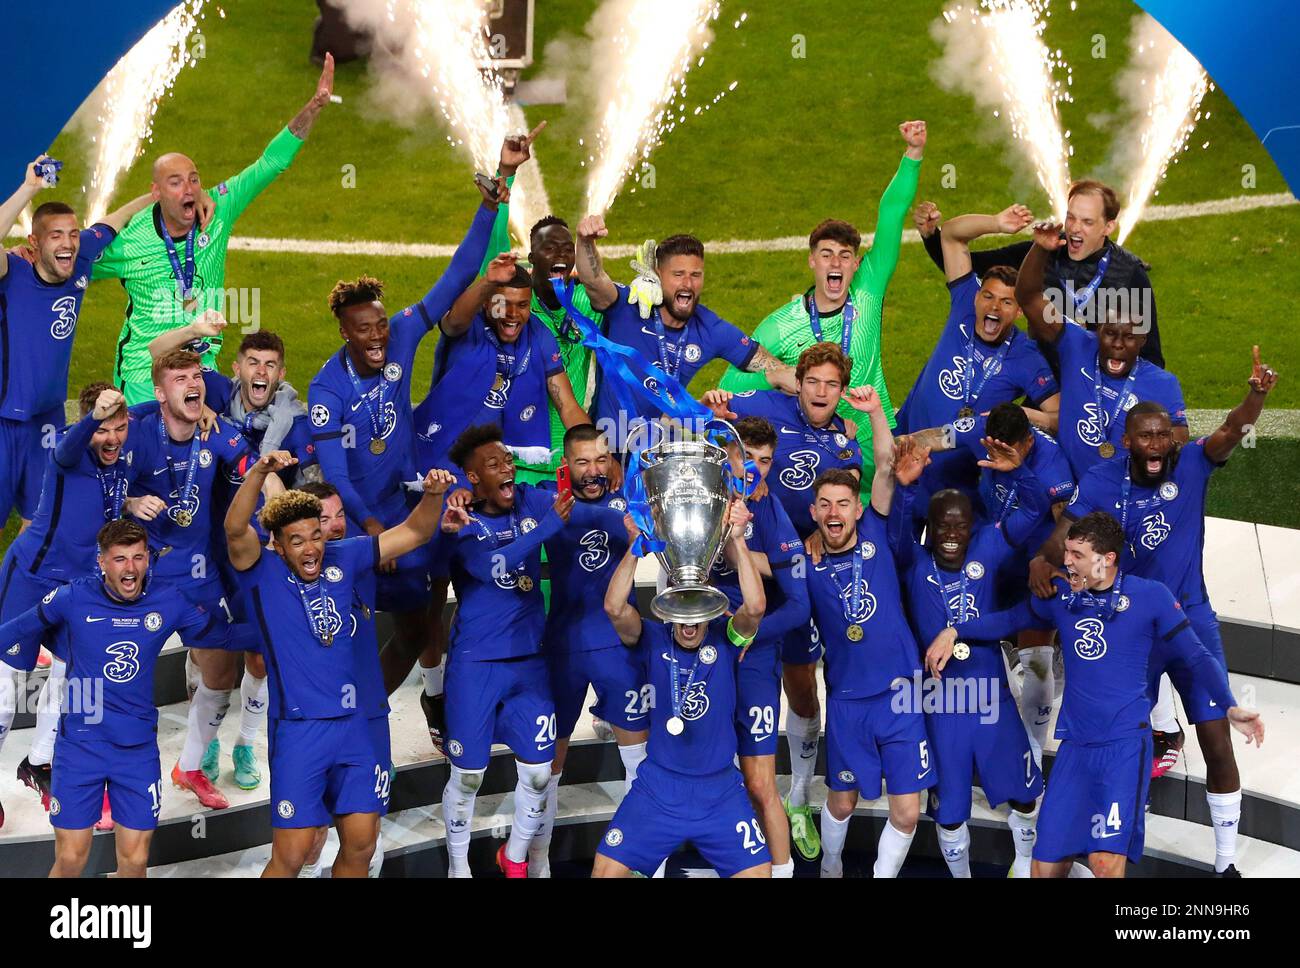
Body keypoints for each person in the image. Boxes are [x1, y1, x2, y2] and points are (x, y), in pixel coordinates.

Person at [1032, 346, 1278, 875]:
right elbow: (1065, 534)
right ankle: (1105, 841)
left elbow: (1232, 430)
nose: (1156, 444)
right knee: (1119, 735)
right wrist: (1043, 557)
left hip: (1189, 618)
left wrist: (1254, 397)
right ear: (1126, 441)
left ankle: (1226, 864)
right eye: (1145, 435)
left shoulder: (1191, 463)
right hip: (1128, 627)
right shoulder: (1101, 481)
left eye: (1163, 434)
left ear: (1173, 438)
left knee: (1216, 739)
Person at [933, 512, 1264, 877]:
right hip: (1075, 748)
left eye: (1076, 554)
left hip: (1123, 748)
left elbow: (1196, 655)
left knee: (1104, 864)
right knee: (1045, 869)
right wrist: (956, 631)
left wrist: (1229, 706)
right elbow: (1012, 619)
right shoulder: (1061, 597)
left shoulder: (1151, 597)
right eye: (1067, 552)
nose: (1066, 561)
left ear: (1106, 560)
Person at [309, 175, 503, 712]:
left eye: (378, 326)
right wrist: (372, 528)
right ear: (344, 333)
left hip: (406, 515)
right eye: (363, 330)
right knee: (345, 632)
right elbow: (337, 476)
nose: (377, 338)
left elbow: (455, 275)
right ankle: (337, 710)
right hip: (356, 525)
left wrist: (488, 208)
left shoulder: (403, 333)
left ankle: (370, 705)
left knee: (418, 630)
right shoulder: (327, 389)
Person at [223, 454, 455, 877]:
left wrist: (434, 496)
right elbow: (235, 528)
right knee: (292, 855)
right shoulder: (261, 570)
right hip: (300, 730)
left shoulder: (345, 555)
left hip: (355, 729)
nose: (312, 548)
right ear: (277, 543)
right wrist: (258, 473)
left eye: (316, 536)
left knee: (362, 846)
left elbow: (418, 531)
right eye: (297, 540)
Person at [700, 342, 869, 863]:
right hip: (762, 559)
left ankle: (795, 797)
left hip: (797, 568)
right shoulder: (766, 409)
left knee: (801, 685)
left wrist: (799, 547)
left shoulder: (845, 444)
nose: (821, 392)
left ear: (842, 391)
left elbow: (848, 498)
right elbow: (721, 421)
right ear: (798, 382)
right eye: (812, 381)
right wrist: (718, 404)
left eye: (831, 384)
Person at [91, 56, 337, 404]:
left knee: (206, 451)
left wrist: (314, 106)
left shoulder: (217, 211)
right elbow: (74, 259)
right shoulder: (130, 240)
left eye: (194, 179)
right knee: (147, 452)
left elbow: (271, 163)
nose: (189, 189)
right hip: (144, 371)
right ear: (156, 192)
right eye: (175, 183)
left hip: (200, 365)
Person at [0, 519, 234, 876]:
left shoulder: (168, 600)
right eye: (120, 558)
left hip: (136, 752)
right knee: (71, 858)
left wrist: (278, 630)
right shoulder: (73, 597)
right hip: (80, 749)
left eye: (138, 557)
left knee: (135, 860)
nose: (131, 567)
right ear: (102, 562)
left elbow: (221, 636)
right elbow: (17, 629)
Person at [438, 424, 621, 878]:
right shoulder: (462, 522)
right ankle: (458, 868)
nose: (506, 469)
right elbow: (493, 565)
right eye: (494, 464)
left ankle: (515, 857)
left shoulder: (531, 501)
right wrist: (548, 527)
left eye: (507, 460)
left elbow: (579, 511)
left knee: (539, 770)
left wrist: (611, 484)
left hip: (530, 662)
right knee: (467, 776)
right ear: (472, 477)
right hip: (475, 665)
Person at [149, 315, 316, 790]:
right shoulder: (212, 391)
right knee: (207, 653)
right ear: (238, 369)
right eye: (252, 362)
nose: (260, 373)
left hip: (251, 551)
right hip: (202, 545)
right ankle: (208, 740)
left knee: (258, 654)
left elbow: (293, 484)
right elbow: (161, 353)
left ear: (280, 374)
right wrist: (193, 329)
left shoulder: (294, 421)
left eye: (270, 365)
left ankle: (247, 740)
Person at [719, 120, 928, 482]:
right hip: (812, 446)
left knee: (880, 523)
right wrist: (778, 375)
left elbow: (891, 214)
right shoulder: (780, 325)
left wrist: (913, 154)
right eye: (827, 254)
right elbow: (727, 388)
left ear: (857, 264)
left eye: (845, 255)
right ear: (812, 261)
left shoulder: (868, 290)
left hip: (872, 436)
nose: (836, 263)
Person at [897, 440, 1051, 879]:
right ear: (930, 528)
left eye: (959, 527)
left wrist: (1018, 471)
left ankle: (1024, 866)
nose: (950, 536)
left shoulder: (988, 546)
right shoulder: (913, 562)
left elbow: (1037, 507)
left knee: (1024, 794)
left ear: (972, 527)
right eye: (942, 527)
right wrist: (906, 488)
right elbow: (891, 531)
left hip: (991, 698)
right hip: (940, 704)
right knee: (948, 811)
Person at [1, 386, 154, 824]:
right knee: (7, 688)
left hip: (80, 585)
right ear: (86, 425)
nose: (112, 438)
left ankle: (40, 764)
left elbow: (155, 409)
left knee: (71, 678)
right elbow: (71, 447)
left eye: (119, 428)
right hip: (31, 578)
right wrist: (93, 421)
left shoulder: (125, 446)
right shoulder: (67, 450)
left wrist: (195, 409)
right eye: (102, 428)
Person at [594, 499, 771, 878]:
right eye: (680, 609)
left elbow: (755, 607)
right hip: (659, 788)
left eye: (697, 609)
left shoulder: (727, 638)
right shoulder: (653, 638)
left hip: (720, 791)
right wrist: (634, 547)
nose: (689, 625)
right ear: (666, 605)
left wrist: (737, 540)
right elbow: (613, 607)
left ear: (711, 605)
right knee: (605, 872)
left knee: (759, 874)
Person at [904, 401, 1076, 764]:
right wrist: (902, 445)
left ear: (1027, 442)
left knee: (1036, 655)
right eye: (990, 447)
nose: (995, 453)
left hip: (1032, 562)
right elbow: (935, 438)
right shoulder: (981, 432)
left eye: (1005, 449)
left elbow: (1066, 525)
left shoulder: (1053, 466)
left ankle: (1031, 746)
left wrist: (1048, 562)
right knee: (972, 634)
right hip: (988, 552)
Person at [127, 349, 259, 810]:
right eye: (179, 378)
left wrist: (286, 514)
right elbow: (96, 481)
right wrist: (128, 503)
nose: (192, 383)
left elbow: (255, 474)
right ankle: (89, 776)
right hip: (141, 581)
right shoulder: (137, 431)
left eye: (196, 375)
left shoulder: (217, 431)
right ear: (160, 392)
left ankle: (189, 766)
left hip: (198, 579)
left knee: (221, 671)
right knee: (115, 680)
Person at [0, 160, 160, 528]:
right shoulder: (12, 272)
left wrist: (155, 198)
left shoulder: (81, 258)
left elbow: (114, 221)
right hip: (4, 421)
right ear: (34, 244)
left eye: (72, 234)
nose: (68, 242)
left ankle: (30, 586)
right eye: (56, 235)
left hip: (49, 419)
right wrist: (28, 189)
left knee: (40, 521)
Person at [799, 442, 934, 879]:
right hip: (848, 704)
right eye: (825, 505)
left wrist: (876, 409)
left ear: (857, 510)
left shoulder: (877, 534)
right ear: (814, 512)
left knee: (909, 812)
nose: (834, 511)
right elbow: (769, 566)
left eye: (843, 503)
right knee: (842, 802)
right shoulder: (805, 561)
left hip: (901, 698)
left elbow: (884, 470)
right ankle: (832, 867)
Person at [522, 424, 647, 877]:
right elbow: (492, 487)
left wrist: (644, 531)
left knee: (640, 764)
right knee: (545, 769)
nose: (593, 471)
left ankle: (646, 864)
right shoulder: (543, 501)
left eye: (600, 460)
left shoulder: (632, 501)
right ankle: (538, 864)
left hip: (619, 648)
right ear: (566, 466)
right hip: (563, 647)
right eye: (582, 462)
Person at [573, 219, 794, 450]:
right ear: (659, 274)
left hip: (658, 457)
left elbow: (773, 367)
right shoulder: (629, 305)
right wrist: (585, 241)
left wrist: (815, 381)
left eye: (695, 275)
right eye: (678, 274)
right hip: (605, 451)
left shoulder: (711, 328)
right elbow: (594, 280)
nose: (687, 283)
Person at [894, 207, 1059, 504]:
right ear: (976, 296)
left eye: (1006, 302)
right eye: (988, 296)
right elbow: (953, 237)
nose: (994, 308)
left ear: (1019, 310)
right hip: (900, 454)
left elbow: (1059, 417)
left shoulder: (1027, 358)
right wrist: (996, 223)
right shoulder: (964, 306)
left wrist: (1023, 415)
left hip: (955, 489)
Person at [916, 179, 1165, 368]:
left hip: (1097, 386)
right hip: (1045, 382)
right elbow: (968, 268)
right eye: (1071, 218)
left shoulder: (1129, 275)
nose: (1075, 229)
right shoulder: (1041, 253)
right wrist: (932, 236)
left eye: (1087, 222)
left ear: (1108, 227)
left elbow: (1150, 354)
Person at [710, 417, 809, 877]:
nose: (755, 469)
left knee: (759, 781)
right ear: (727, 455)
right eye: (745, 457)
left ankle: (781, 870)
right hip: (704, 650)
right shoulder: (701, 498)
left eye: (765, 461)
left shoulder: (771, 515)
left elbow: (799, 607)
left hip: (753, 657)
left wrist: (751, 633)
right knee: (699, 767)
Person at [1014, 219, 1187, 481]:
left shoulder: (1164, 384)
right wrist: (1040, 248)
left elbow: (1178, 440)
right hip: (1065, 488)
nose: (1117, 343)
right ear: (1097, 332)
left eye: (1129, 337)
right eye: (1110, 333)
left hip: (1123, 493)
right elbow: (1028, 297)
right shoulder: (1076, 345)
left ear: (1142, 341)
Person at [293, 480, 388, 879]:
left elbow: (414, 538)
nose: (334, 526)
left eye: (339, 516)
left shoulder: (356, 559)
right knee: (309, 838)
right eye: (322, 519)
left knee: (367, 838)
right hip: (314, 721)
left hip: (368, 716)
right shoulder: (286, 579)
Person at [420, 253, 588, 472]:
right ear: (487, 301)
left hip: (495, 462)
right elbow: (453, 322)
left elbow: (567, 405)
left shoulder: (539, 335)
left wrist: (594, 452)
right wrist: (488, 281)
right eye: (503, 304)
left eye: (522, 305)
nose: (513, 314)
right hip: (445, 452)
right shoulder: (469, 324)